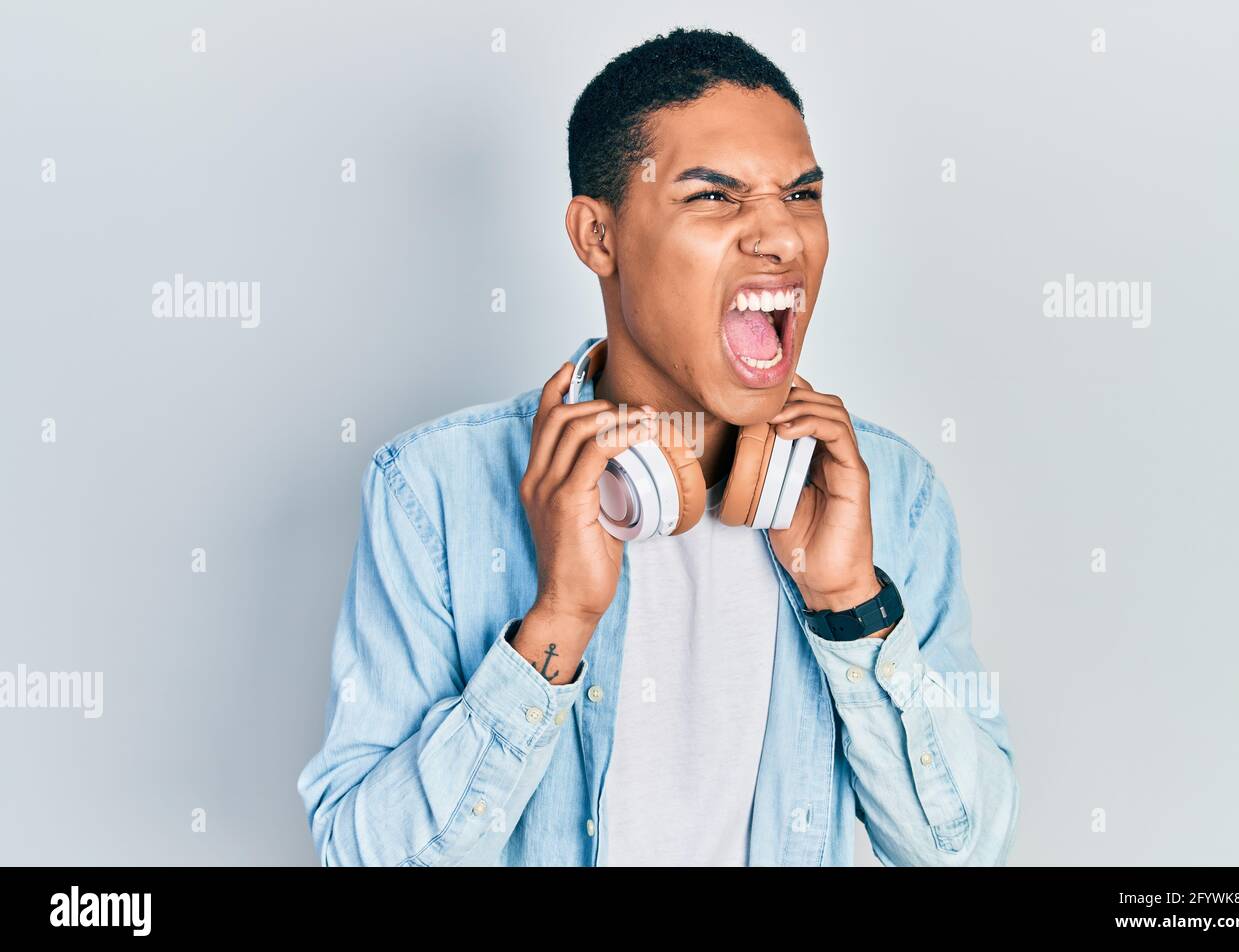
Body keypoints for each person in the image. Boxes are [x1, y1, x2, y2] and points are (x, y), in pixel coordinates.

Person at [296, 27, 1019, 866]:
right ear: (597, 236)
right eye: (714, 198)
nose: (779, 237)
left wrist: (852, 603)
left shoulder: (889, 490)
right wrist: (558, 621)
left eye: (802, 195)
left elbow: (964, 853)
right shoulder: (431, 490)